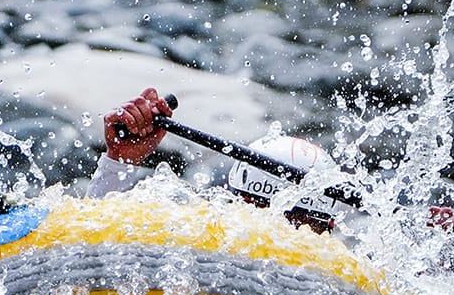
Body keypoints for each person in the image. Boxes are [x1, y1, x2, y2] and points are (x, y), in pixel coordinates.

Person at [85, 87, 341, 234]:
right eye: (271, 217)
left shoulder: (344, 279)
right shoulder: (197, 245)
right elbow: (92, 241)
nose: (289, 236)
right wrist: (120, 160)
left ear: (329, 230)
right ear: (237, 205)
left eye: (306, 227)